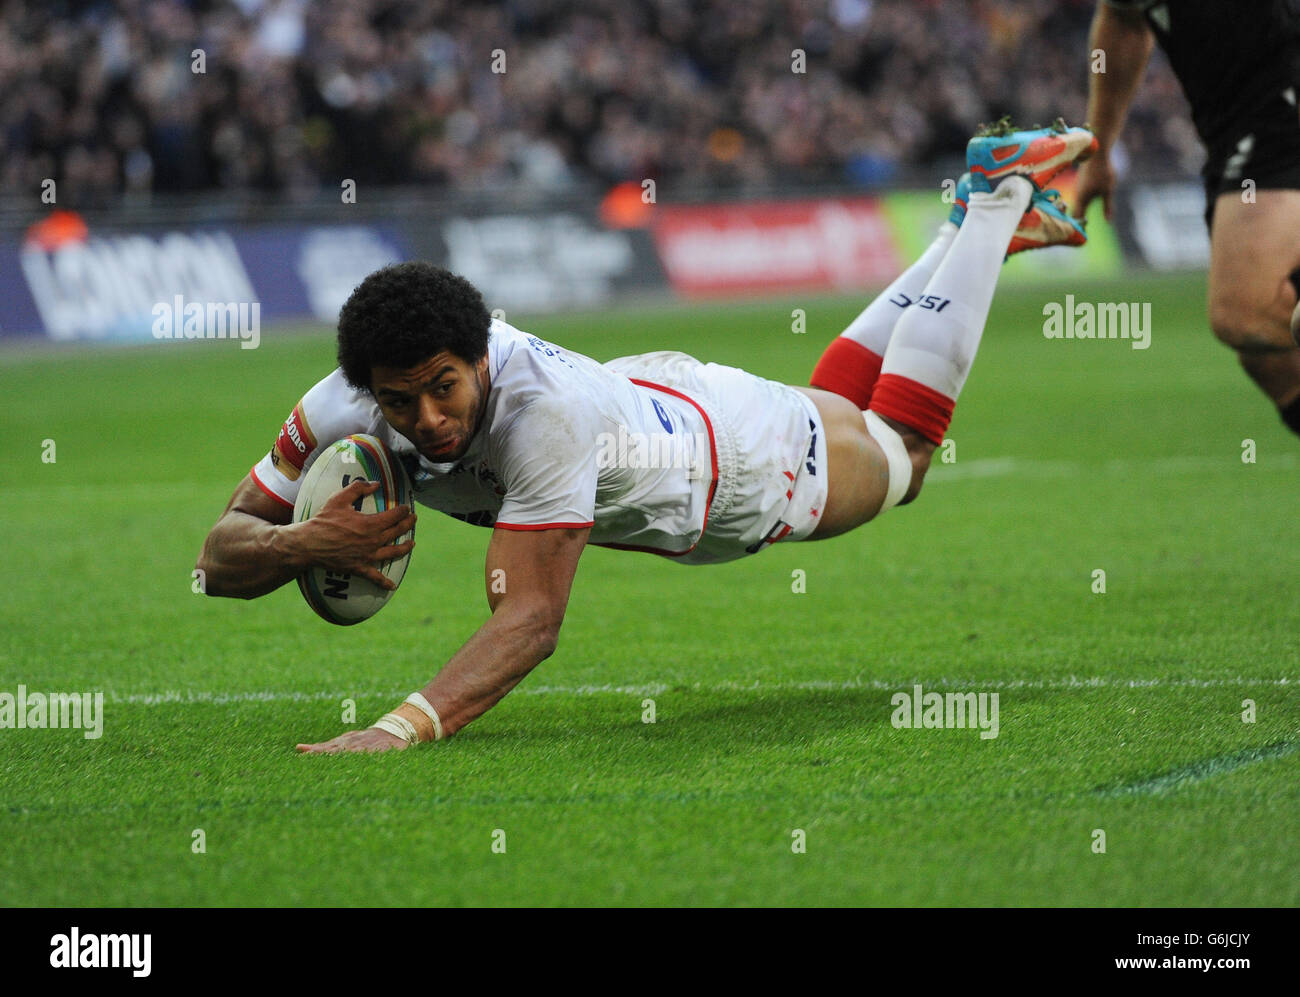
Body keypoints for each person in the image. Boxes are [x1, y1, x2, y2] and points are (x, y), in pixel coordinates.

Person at [195, 122, 1096, 753]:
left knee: (902, 454)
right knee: (841, 403)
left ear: (479, 358)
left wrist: (395, 728)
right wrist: (303, 540)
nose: (427, 420)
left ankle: (993, 201)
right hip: (655, 392)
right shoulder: (337, 407)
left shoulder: (537, 418)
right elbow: (216, 561)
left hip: (731, 471)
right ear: (364, 393)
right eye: (399, 402)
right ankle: (965, 224)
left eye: (444, 387)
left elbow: (531, 620)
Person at [1075, 0, 1300, 433]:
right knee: (1266, 358)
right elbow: (1121, 20)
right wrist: (1099, 149)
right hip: (1228, 132)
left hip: (1278, 111)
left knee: (1246, 312)